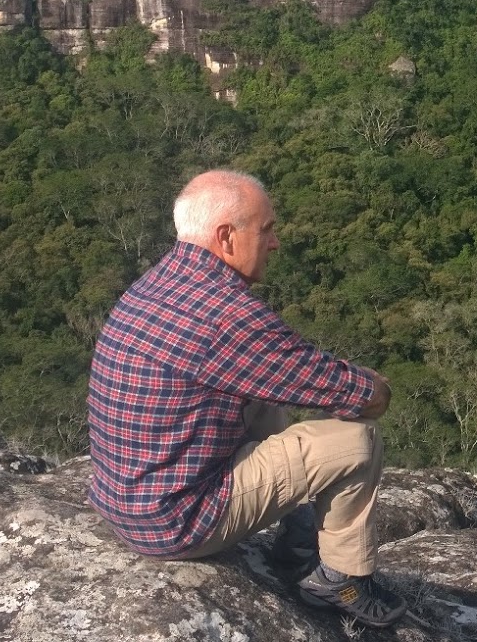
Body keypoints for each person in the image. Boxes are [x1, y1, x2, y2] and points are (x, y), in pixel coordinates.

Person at [86, 169, 406, 627]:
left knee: (262, 396)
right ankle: (341, 579)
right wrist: (377, 383)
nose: (275, 243)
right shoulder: (226, 315)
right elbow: (361, 397)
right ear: (226, 237)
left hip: (124, 499)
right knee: (357, 442)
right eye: (266, 230)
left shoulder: (157, 284)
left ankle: (298, 535)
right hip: (180, 522)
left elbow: (286, 374)